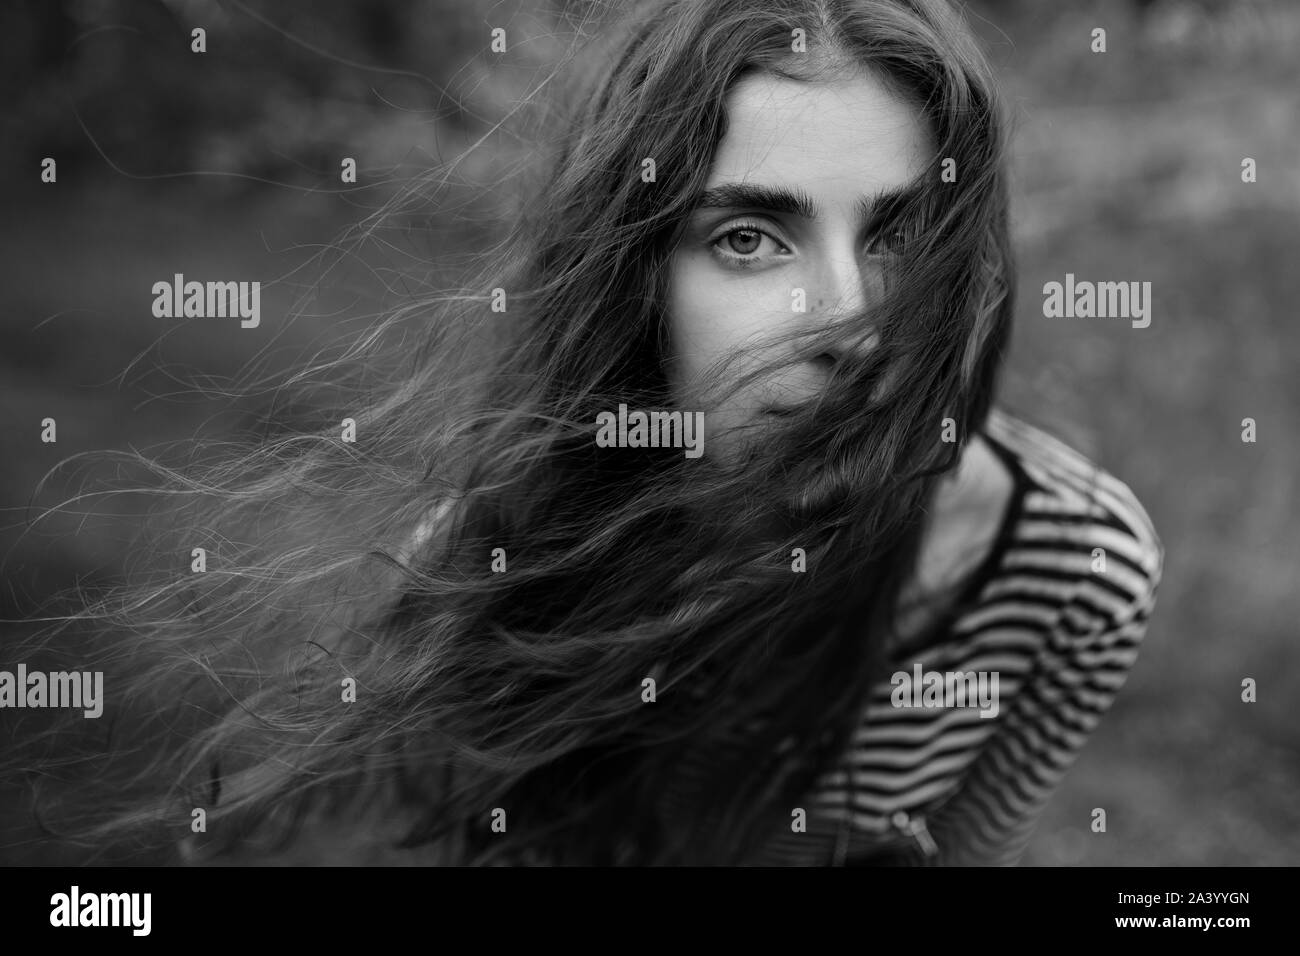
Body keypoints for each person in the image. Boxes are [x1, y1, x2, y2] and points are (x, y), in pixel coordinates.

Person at [8, 0, 1163, 866]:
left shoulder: (1078, 566)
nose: (849, 320)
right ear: (637, 285)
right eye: (750, 238)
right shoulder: (520, 543)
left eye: (900, 235)